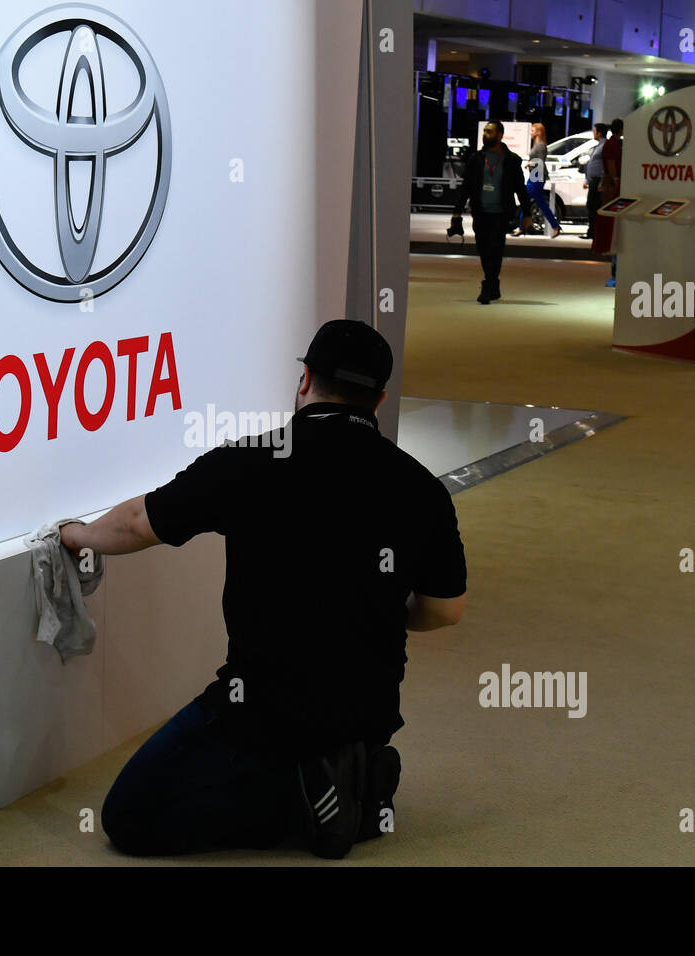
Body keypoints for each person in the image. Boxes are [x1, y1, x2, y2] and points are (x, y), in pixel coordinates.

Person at [74, 319, 468, 859]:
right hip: (366, 710)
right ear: (377, 401)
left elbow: (141, 522)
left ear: (305, 380)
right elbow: (445, 611)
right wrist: (370, 608)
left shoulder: (250, 461)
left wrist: (76, 536)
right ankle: (346, 776)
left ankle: (287, 799)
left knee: (130, 816)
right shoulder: (421, 487)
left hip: (259, 709)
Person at [446, 120, 532, 303]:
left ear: (500, 135)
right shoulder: (476, 159)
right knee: (484, 249)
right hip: (480, 211)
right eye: (485, 131)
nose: (485, 134)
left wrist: (527, 214)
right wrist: (457, 213)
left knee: (496, 248)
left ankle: (487, 285)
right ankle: (494, 284)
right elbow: (466, 187)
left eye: (490, 132)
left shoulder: (511, 160)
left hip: (501, 213)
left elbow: (520, 188)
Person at [515, 123, 561, 238]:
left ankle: (522, 227)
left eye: (533, 130)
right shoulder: (538, 145)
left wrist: (530, 163)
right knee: (538, 202)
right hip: (535, 175)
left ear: (539, 132)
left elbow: (540, 162)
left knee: (528, 201)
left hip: (537, 175)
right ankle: (553, 226)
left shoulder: (540, 146)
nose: (531, 132)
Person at [600, 117, 624, 287]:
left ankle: (616, 271)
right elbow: (610, 163)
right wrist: (616, 180)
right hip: (613, 186)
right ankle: (615, 272)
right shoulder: (612, 145)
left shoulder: (614, 144)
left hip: (613, 185)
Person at [581, 123, 607, 239]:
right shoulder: (598, 146)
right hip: (593, 181)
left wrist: (602, 182)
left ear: (599, 132)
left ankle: (593, 232)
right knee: (591, 206)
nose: (593, 132)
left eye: (594, 131)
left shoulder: (604, 146)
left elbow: (604, 166)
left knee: (593, 206)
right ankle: (592, 231)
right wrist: (587, 179)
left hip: (597, 181)